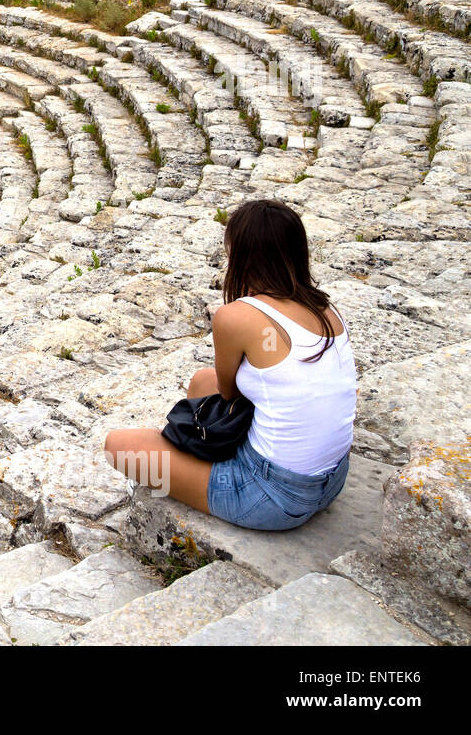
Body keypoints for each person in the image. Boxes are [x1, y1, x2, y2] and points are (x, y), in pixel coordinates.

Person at [103, 199, 355, 531]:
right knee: (200, 381)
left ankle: (209, 480)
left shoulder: (237, 315)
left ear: (240, 255)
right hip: (332, 480)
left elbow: (229, 390)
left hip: (272, 496)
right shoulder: (325, 308)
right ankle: (200, 467)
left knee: (119, 446)